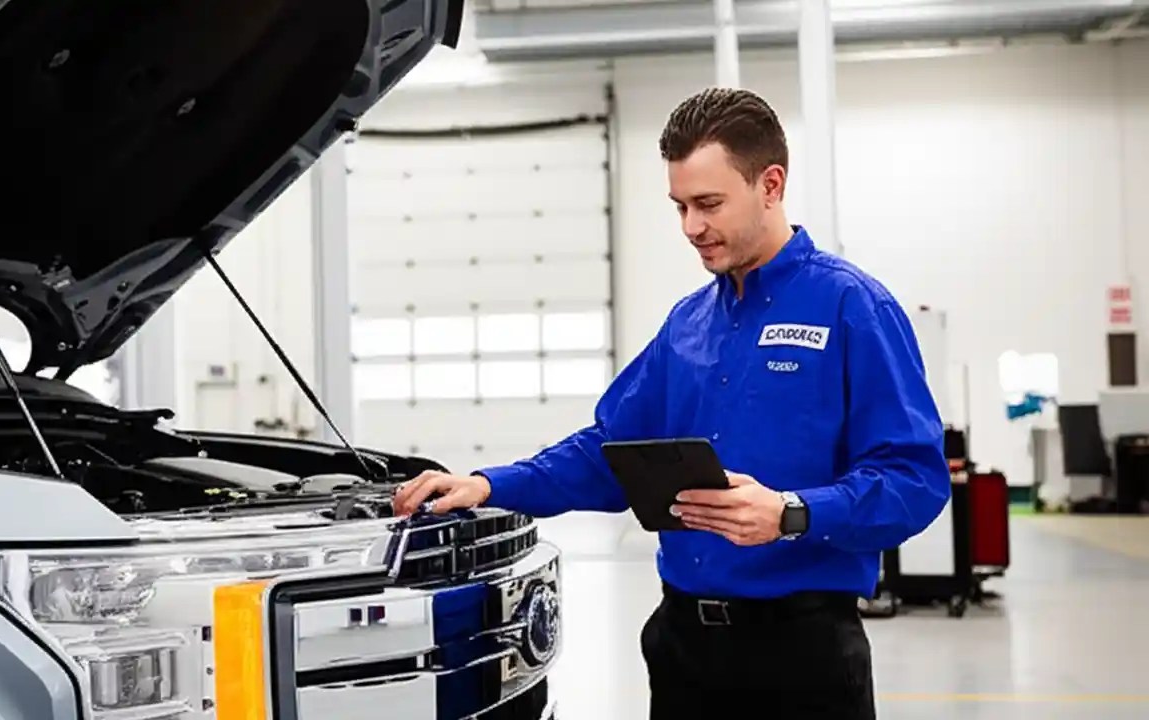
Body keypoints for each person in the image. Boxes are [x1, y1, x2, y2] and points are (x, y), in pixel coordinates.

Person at [392, 87, 950, 720]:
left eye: (709, 204)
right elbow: (608, 452)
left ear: (770, 185)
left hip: (801, 656)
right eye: (680, 206)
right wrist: (490, 486)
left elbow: (914, 480)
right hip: (684, 651)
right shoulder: (687, 324)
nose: (691, 227)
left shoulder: (853, 308)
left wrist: (792, 513)